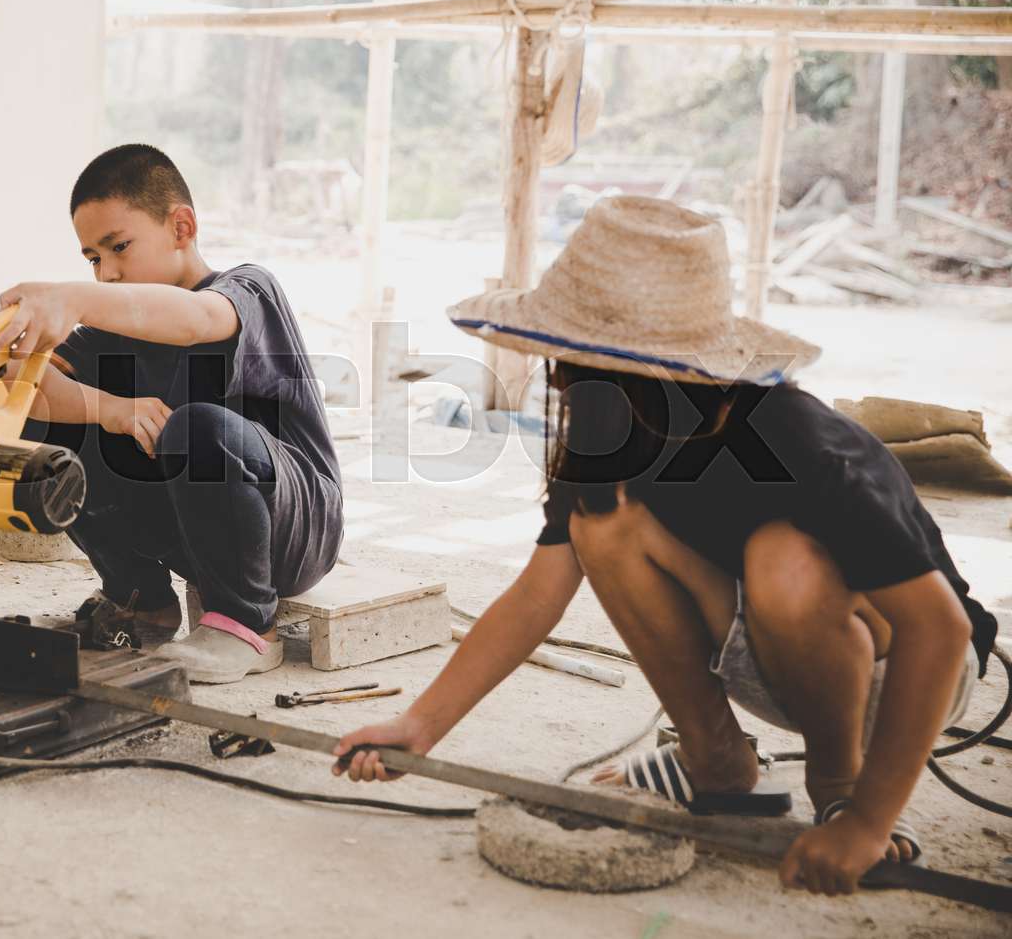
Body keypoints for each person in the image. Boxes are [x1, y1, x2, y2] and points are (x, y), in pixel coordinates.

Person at [330, 196, 999, 897]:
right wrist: (421, 723)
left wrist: (865, 822)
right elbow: (536, 594)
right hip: (767, 653)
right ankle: (716, 761)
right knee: (602, 524)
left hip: (904, 677)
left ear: (653, 371)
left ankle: (838, 780)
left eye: (574, 361)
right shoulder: (608, 432)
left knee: (785, 559)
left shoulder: (798, 438)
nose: (557, 378)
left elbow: (941, 629)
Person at [0, 143, 342, 683]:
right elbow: (26, 384)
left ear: (181, 227)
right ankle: (140, 599)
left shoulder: (245, 291)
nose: (105, 272)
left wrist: (75, 297)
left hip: (294, 526)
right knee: (42, 422)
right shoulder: (109, 330)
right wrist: (109, 409)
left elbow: (195, 321)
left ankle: (247, 625)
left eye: (119, 247)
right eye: (92, 258)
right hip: (194, 528)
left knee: (195, 426)